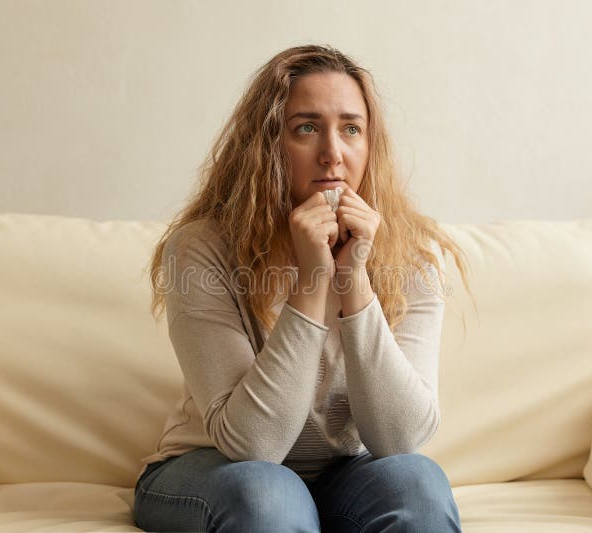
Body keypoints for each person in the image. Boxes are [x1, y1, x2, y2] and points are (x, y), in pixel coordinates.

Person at [135, 44, 471, 532]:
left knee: (417, 482)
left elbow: (399, 438)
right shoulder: (202, 249)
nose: (332, 153)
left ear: (370, 144)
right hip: (217, 469)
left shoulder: (412, 254)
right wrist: (314, 279)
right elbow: (253, 445)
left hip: (346, 475)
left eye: (351, 128)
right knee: (270, 494)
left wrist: (352, 277)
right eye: (306, 128)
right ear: (268, 143)